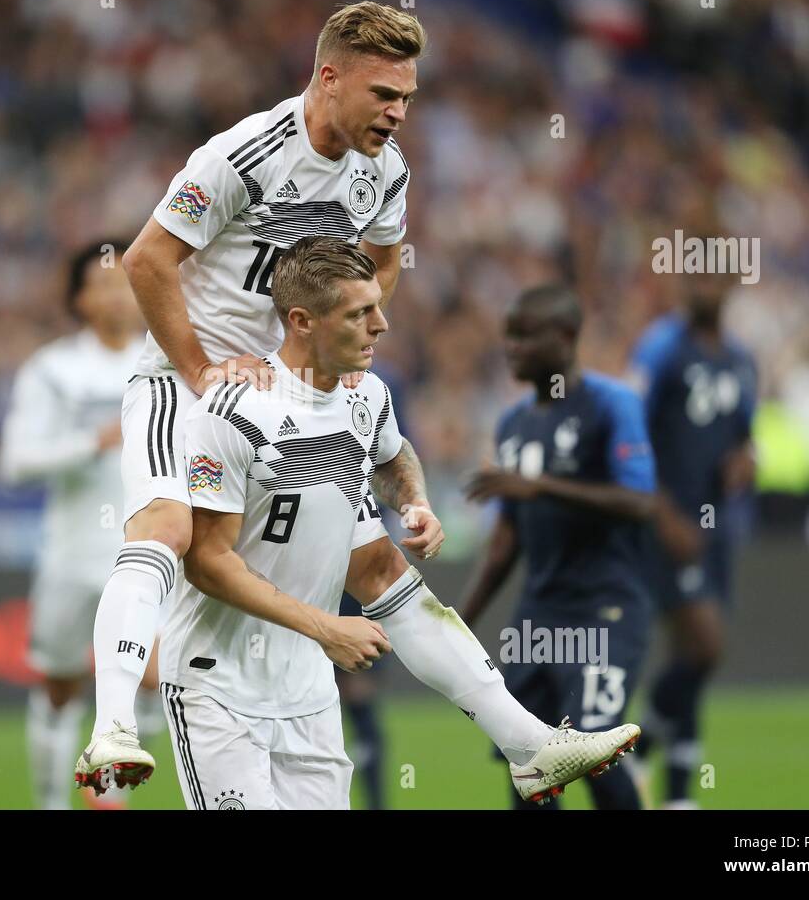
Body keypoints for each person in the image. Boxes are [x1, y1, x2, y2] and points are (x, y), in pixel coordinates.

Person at [78, 2, 437, 791]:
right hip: (187, 381)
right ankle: (111, 729)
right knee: (170, 527)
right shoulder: (245, 152)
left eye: (406, 97)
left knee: (368, 556)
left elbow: (381, 267)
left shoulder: (387, 171)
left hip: (287, 395)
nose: (397, 112)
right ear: (329, 75)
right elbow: (146, 261)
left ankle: (521, 735)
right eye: (383, 92)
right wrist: (204, 371)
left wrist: (337, 353)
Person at [157, 237, 639, 809]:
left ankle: (529, 744)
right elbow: (208, 563)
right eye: (359, 313)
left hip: (306, 687)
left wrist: (416, 501)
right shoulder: (234, 410)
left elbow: (392, 456)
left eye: (377, 307)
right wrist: (324, 626)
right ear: (302, 321)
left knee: (386, 567)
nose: (380, 325)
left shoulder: (367, 396)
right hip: (218, 685)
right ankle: (529, 746)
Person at [462, 284, 651, 808]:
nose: (512, 348)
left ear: (566, 337)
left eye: (524, 336)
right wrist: (459, 620)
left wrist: (541, 485)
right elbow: (506, 541)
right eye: (508, 337)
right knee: (527, 760)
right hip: (538, 614)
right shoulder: (513, 423)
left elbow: (640, 501)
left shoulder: (612, 404)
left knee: (595, 747)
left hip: (605, 608)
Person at [0, 239, 159, 809]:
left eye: (124, 281)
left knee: (163, 684)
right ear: (80, 300)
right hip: (71, 556)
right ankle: (52, 803)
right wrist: (91, 442)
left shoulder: (163, 363)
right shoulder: (53, 369)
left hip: (146, 557)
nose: (119, 293)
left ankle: (108, 794)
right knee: (61, 691)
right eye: (104, 283)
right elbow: (15, 462)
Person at [627, 273, 757, 808]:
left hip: (716, 528)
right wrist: (662, 512)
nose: (707, 288)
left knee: (692, 657)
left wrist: (746, 460)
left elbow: (744, 438)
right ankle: (637, 746)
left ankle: (679, 795)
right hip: (669, 522)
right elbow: (630, 429)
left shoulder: (742, 359)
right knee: (705, 645)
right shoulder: (661, 347)